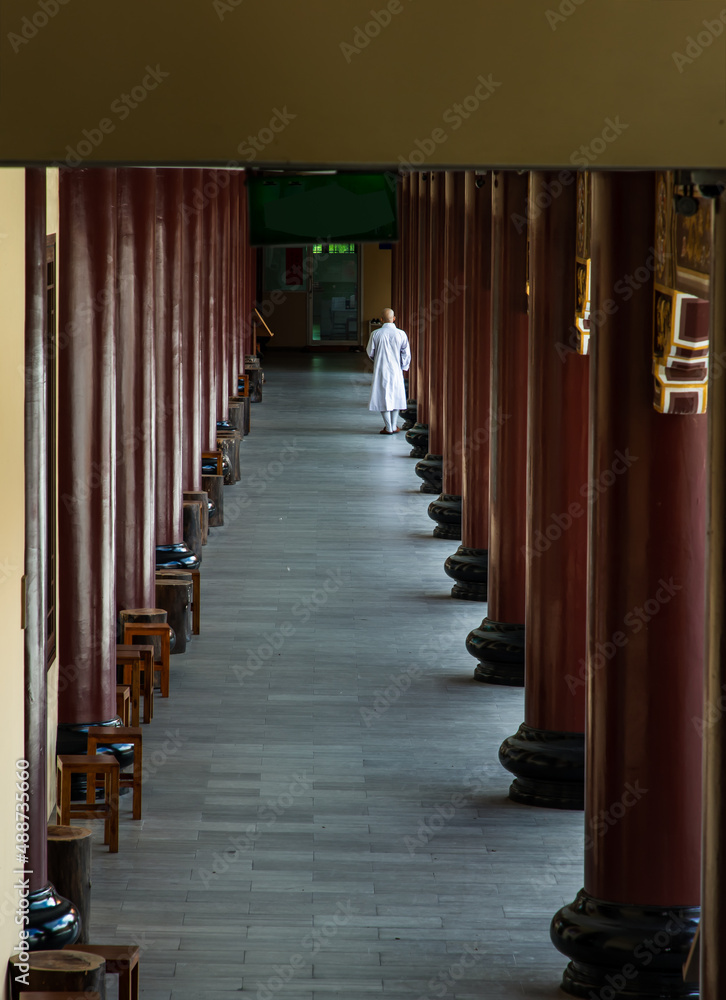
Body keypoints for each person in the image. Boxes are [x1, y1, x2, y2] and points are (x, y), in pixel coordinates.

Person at [367, 308, 411, 434]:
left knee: (383, 396)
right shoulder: (401, 334)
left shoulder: (376, 334)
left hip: (381, 368)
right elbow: (406, 353)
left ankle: (388, 427)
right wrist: (403, 366)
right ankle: (394, 424)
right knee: (396, 396)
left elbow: (370, 352)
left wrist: (377, 359)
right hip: (396, 369)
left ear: (381, 319)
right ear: (394, 318)